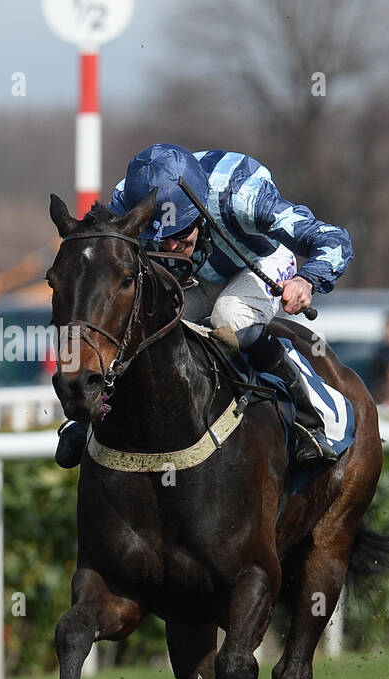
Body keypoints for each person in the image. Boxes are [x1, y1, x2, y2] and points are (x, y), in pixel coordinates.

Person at [55, 143, 353, 469]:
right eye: (160, 234)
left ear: (199, 209)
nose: (170, 244)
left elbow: (333, 239)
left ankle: (307, 416)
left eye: (180, 231)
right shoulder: (127, 200)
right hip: (196, 275)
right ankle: (90, 419)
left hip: (259, 261)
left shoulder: (245, 198)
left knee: (230, 316)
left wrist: (307, 279)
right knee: (145, 320)